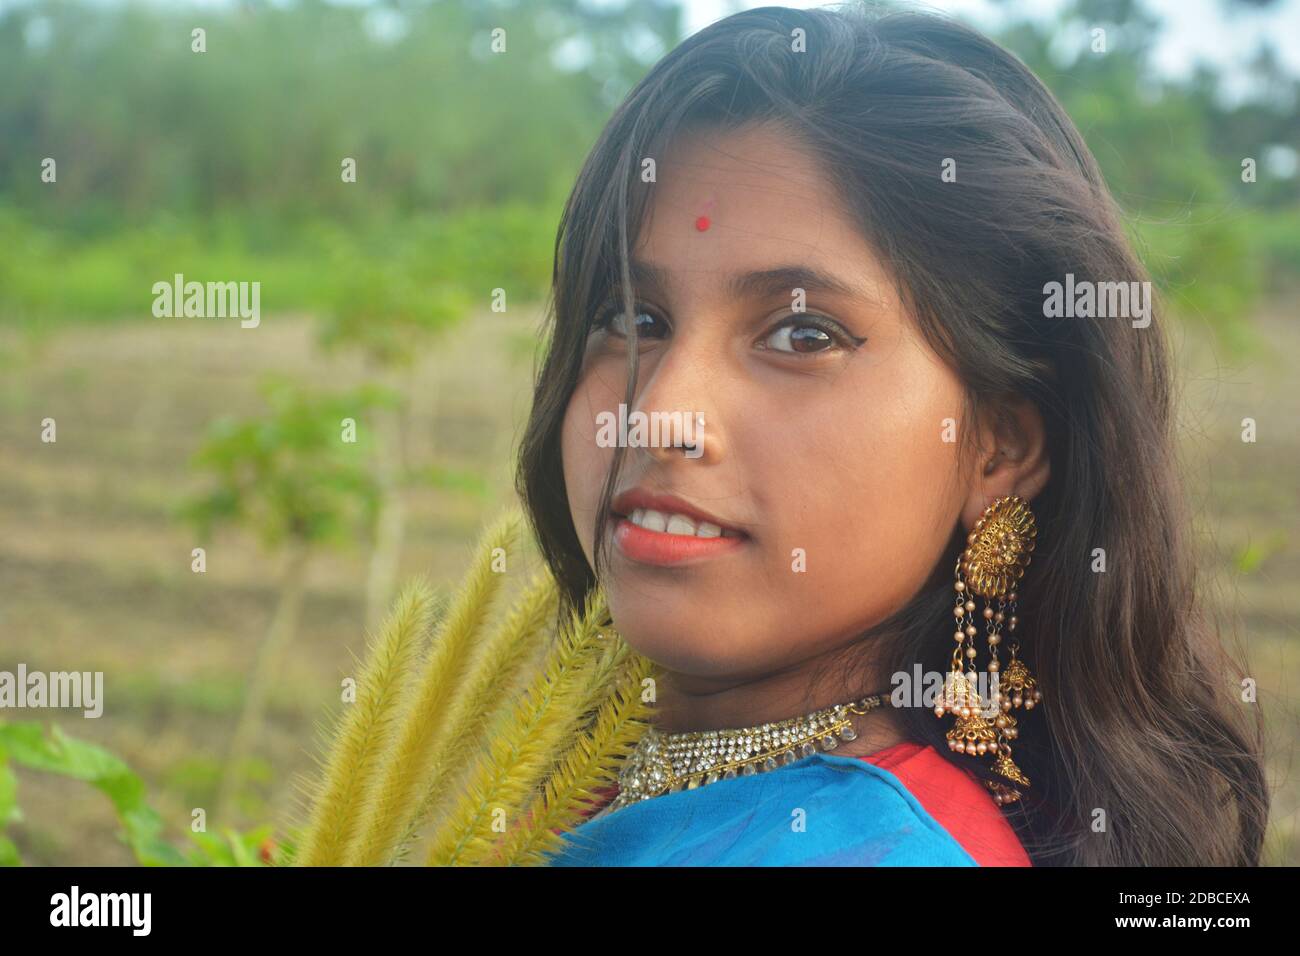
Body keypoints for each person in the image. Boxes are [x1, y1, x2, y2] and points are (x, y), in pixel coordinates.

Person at [514, 2, 1267, 866]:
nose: (655, 413)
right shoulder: (576, 784)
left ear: (1001, 449)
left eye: (803, 336)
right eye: (630, 316)